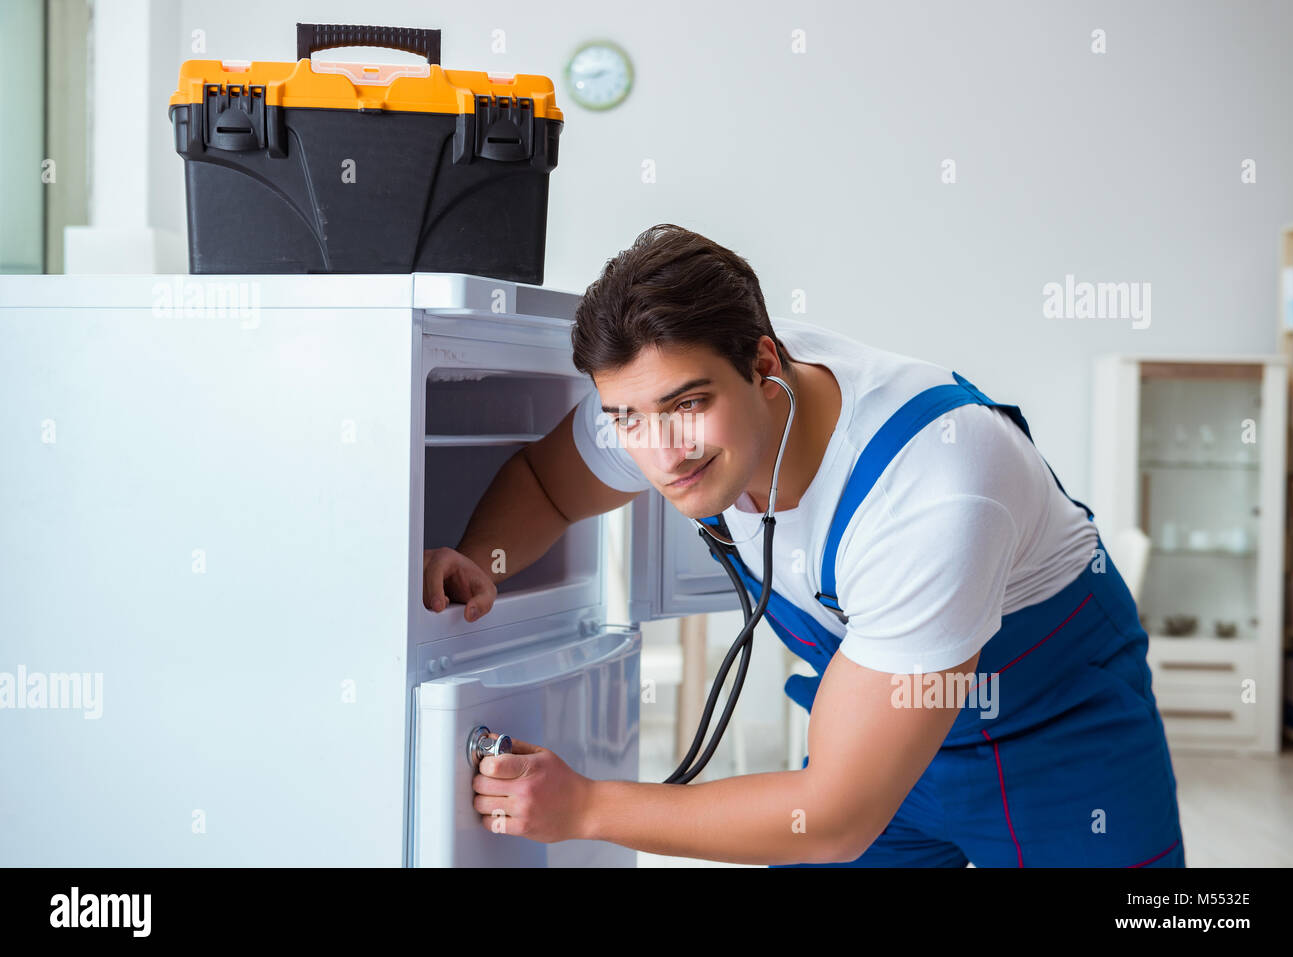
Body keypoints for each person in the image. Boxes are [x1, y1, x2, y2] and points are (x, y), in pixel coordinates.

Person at [423, 223, 1185, 867]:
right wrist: (478, 557)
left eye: (687, 406)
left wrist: (586, 806)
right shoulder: (652, 397)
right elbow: (549, 484)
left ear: (763, 364)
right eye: (626, 417)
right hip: (874, 723)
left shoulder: (937, 487)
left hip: (1056, 739)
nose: (660, 451)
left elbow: (834, 816)